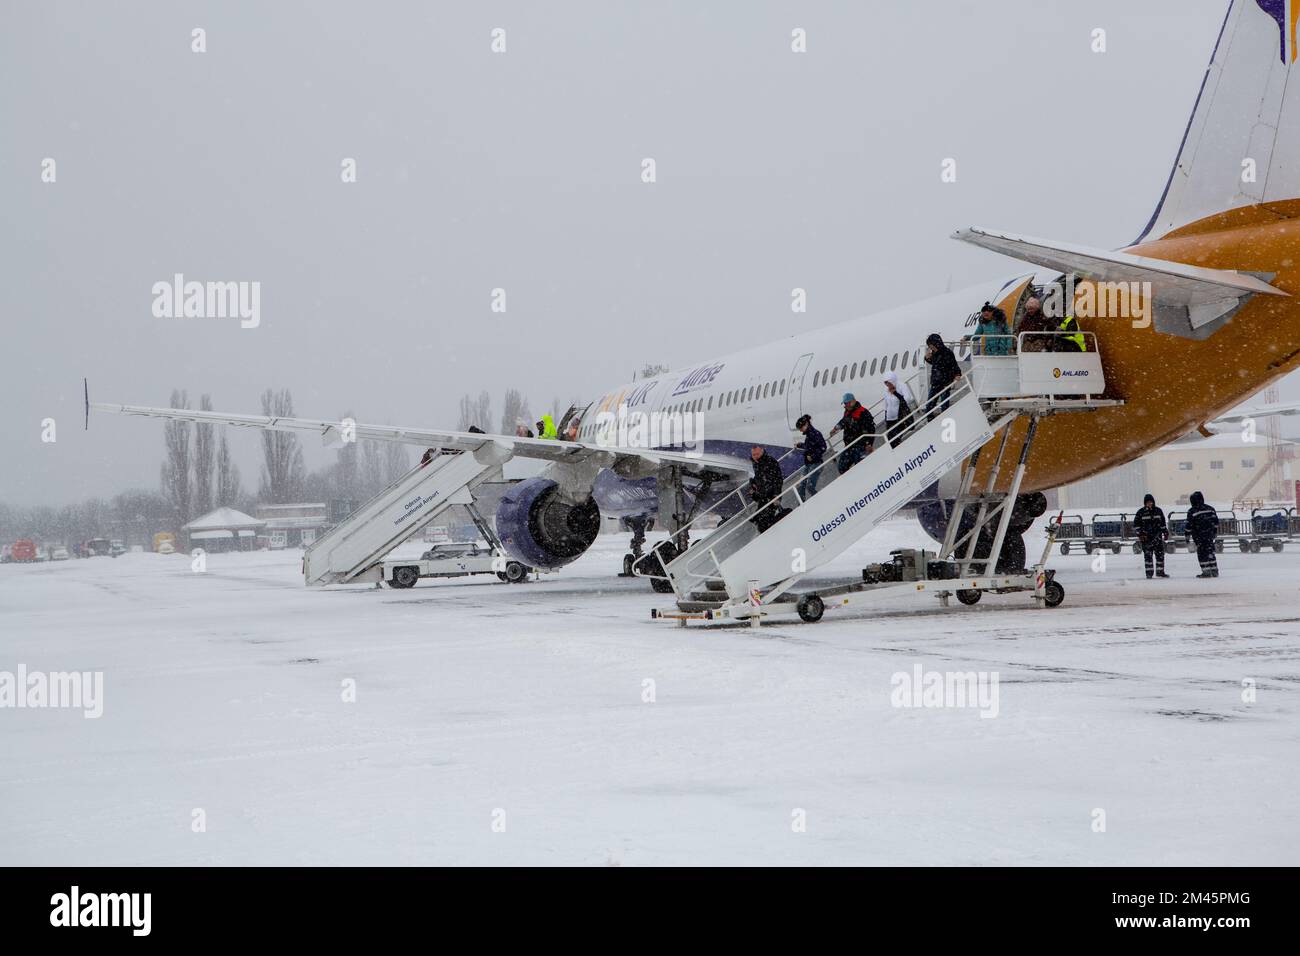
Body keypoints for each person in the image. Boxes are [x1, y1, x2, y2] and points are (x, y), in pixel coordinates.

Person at [829, 393, 875, 473]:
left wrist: (869, 443)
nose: (845, 405)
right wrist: (836, 428)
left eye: (847, 403)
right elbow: (843, 421)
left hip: (860, 445)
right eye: (845, 404)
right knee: (842, 467)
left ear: (853, 401)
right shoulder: (847, 412)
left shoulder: (863, 412)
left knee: (862, 467)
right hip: (849, 445)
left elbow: (870, 429)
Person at [748, 444, 786, 533]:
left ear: (762, 452)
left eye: (757, 454)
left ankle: (778, 530)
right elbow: (759, 478)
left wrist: (776, 494)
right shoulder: (756, 464)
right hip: (763, 496)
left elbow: (778, 479)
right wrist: (753, 485)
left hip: (772, 495)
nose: (755, 457)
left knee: (765, 520)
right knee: (757, 518)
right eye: (753, 455)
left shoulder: (770, 461)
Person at [923, 334, 962, 419]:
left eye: (931, 346)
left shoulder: (947, 353)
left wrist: (958, 374)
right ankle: (930, 420)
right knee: (929, 406)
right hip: (935, 382)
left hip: (945, 383)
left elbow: (954, 365)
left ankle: (944, 419)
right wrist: (927, 358)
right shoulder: (935, 353)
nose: (930, 348)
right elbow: (935, 364)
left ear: (936, 343)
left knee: (944, 405)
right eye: (929, 346)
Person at [1133, 493, 1170, 579]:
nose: (1150, 503)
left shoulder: (1158, 511)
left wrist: (1165, 532)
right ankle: (1149, 574)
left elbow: (1163, 524)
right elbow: (1136, 525)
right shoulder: (1141, 512)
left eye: (1151, 502)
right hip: (1146, 539)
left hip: (1157, 537)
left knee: (1160, 556)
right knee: (1148, 557)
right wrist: (1140, 534)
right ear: (1145, 503)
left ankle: (1160, 572)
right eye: (1148, 502)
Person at [1186, 491, 1220, 578]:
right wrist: (1214, 532)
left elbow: (1189, 525)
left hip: (1198, 536)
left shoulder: (1192, 511)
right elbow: (1216, 522)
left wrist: (1187, 536)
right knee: (1210, 552)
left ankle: (1206, 571)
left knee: (1202, 553)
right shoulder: (1211, 509)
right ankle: (1214, 570)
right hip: (1209, 535)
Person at [794, 414, 826, 499]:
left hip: (816, 463)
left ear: (806, 425)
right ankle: (802, 505)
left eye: (800, 428)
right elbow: (809, 446)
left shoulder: (815, 433)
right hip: (808, 464)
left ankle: (819, 499)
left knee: (809, 486)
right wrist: (800, 445)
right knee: (800, 486)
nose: (800, 431)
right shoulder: (809, 435)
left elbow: (823, 447)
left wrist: (813, 456)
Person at [882, 371, 914, 447]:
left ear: (892, 380)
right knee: (890, 438)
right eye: (886, 383)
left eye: (889, 383)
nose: (888, 385)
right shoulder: (886, 390)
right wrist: (886, 418)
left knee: (896, 437)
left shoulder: (901, 386)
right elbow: (886, 405)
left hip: (900, 416)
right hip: (890, 418)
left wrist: (895, 393)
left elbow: (907, 399)